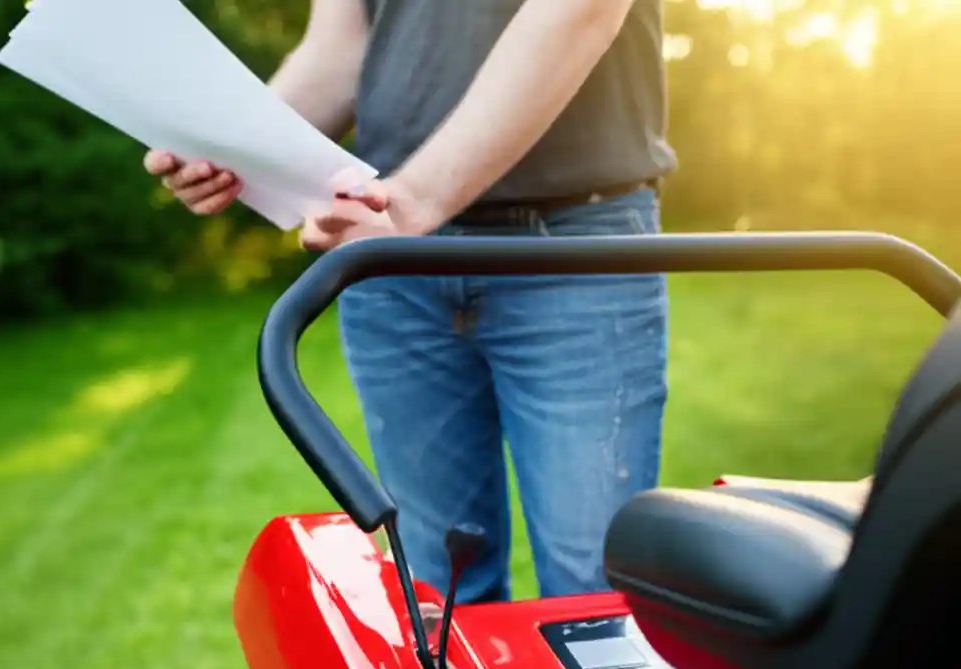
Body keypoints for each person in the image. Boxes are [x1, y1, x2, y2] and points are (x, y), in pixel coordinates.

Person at [143, 0, 676, 603]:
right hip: (392, 257)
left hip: (571, 247)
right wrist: (227, 147)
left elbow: (580, 11)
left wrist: (417, 201)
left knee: (595, 596)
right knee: (438, 597)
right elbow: (340, 47)